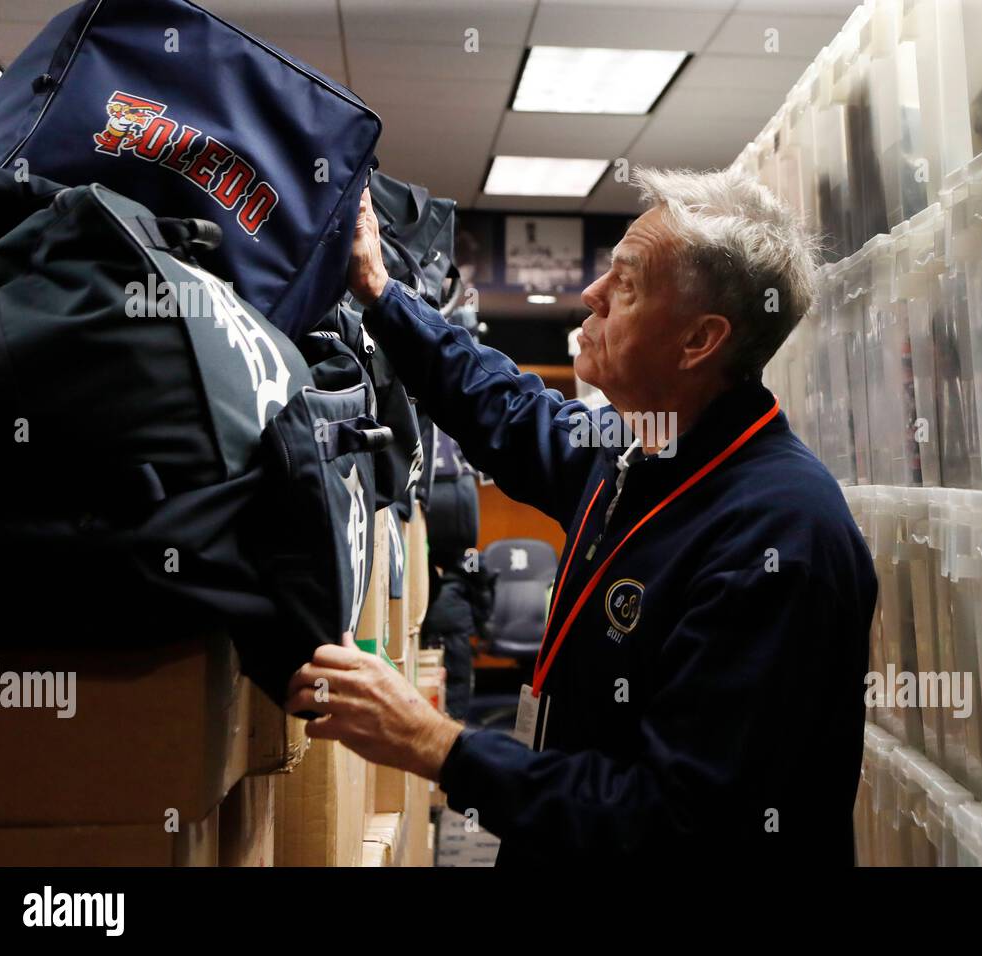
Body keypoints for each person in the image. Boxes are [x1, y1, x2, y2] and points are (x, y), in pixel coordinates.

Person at [285, 167, 877, 866]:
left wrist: (433, 744)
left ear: (699, 341)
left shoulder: (781, 540)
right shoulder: (644, 448)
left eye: (624, 285)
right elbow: (503, 407)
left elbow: (677, 823)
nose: (590, 296)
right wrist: (380, 296)